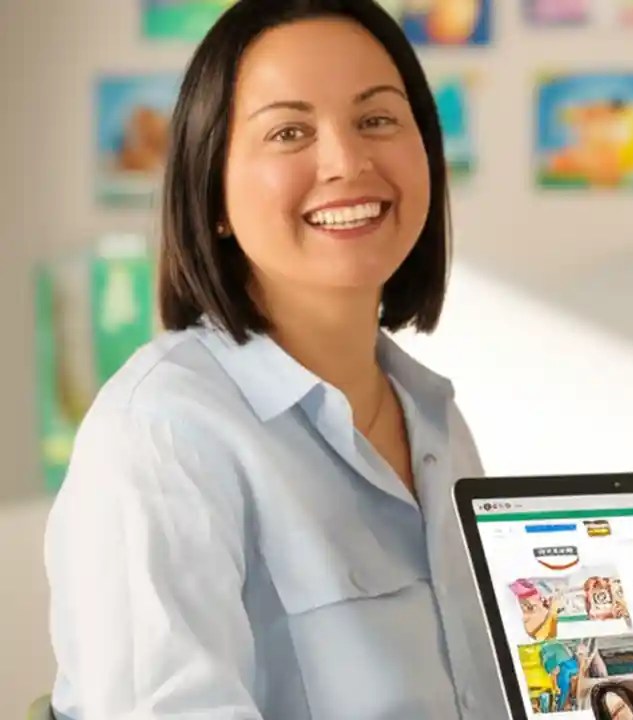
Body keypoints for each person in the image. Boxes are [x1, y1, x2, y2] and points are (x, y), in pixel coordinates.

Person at [43, 1, 504, 717]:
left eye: (377, 119)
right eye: (290, 132)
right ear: (213, 191)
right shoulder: (163, 434)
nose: (348, 162)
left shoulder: (437, 421)